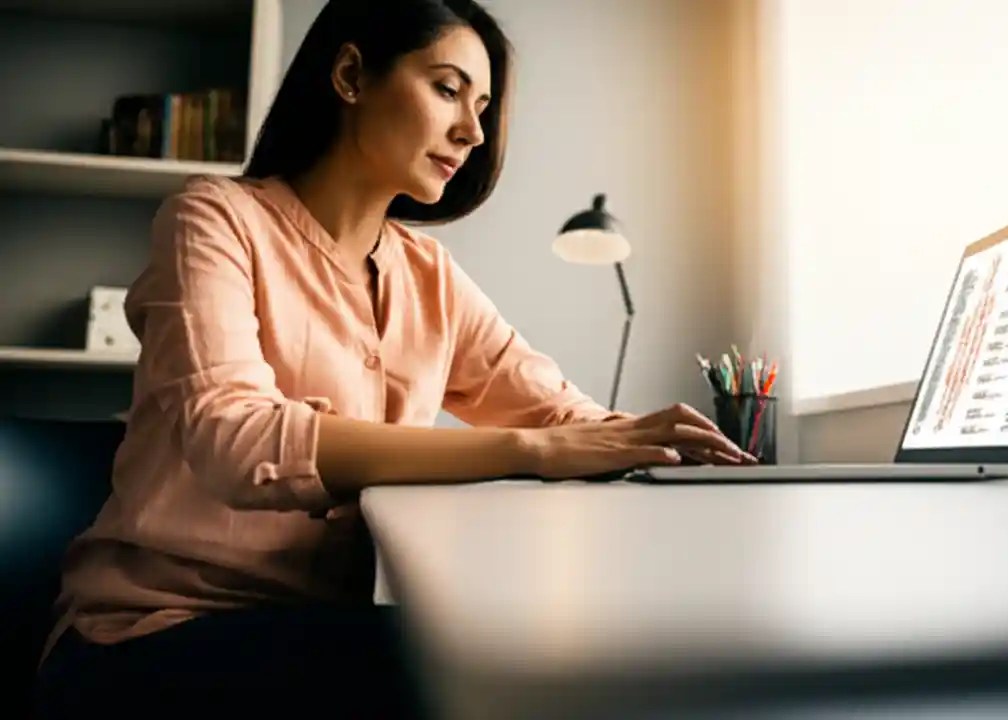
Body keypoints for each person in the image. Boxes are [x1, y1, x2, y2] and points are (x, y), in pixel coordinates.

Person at [31, 1, 752, 717]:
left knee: (545, 654)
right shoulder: (213, 218)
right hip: (151, 633)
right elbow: (236, 438)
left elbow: (560, 411)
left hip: (307, 632)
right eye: (447, 89)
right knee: (487, 677)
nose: (472, 130)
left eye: (482, 105)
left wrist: (652, 446)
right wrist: (531, 448)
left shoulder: (426, 274)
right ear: (350, 74)